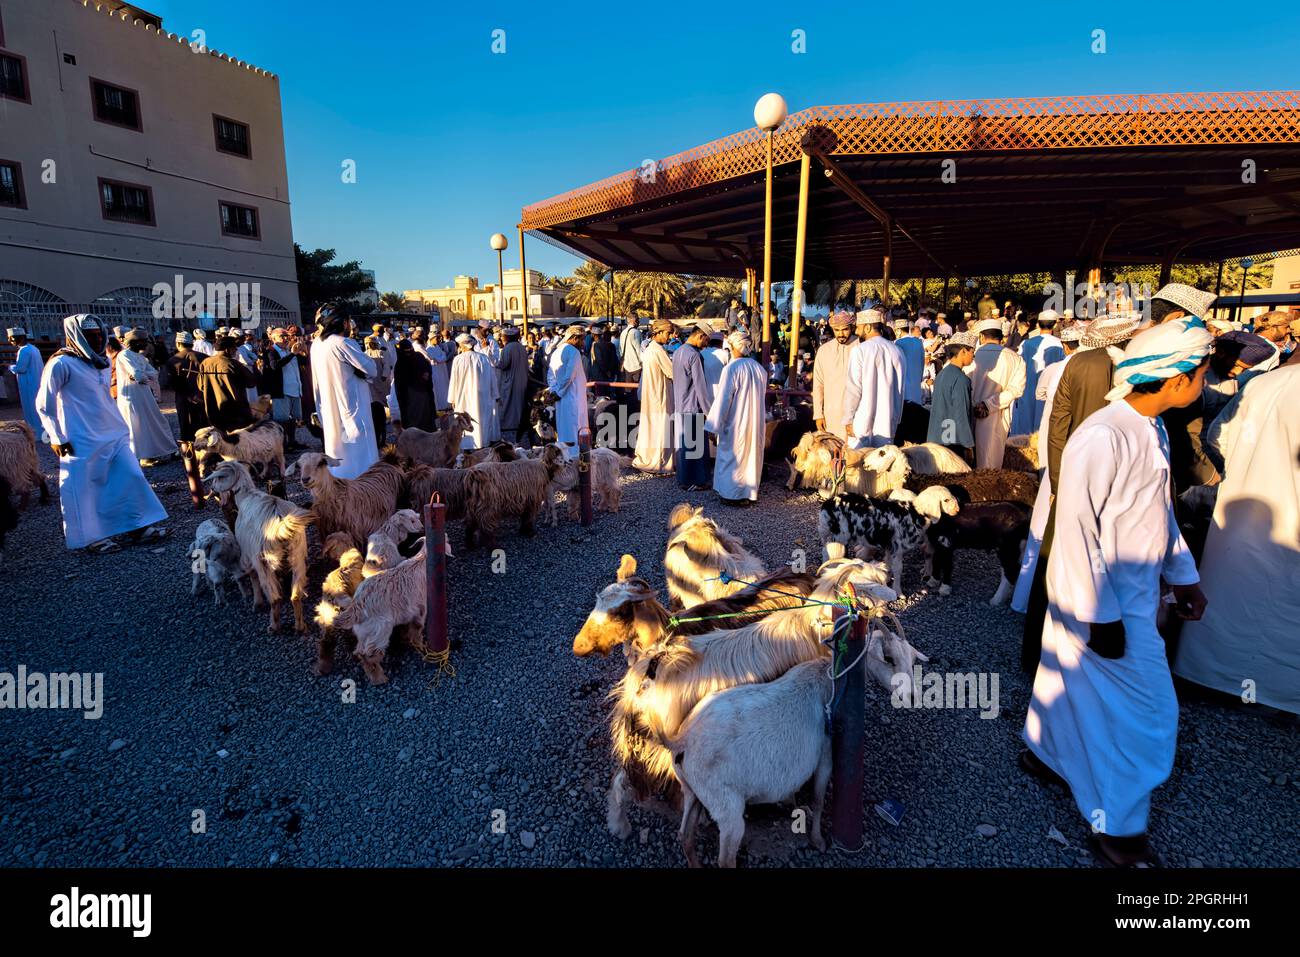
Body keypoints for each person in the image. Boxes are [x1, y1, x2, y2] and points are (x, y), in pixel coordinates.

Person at [1022, 316, 1211, 868]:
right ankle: (1120, 832)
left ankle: (1044, 754)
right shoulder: (1101, 436)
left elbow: (1161, 514)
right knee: (1151, 717)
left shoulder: (1148, 429)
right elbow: (1078, 531)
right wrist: (1100, 617)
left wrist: (1183, 575)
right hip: (1100, 600)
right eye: (1201, 373)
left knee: (1067, 676)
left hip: (1125, 593)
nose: (1205, 382)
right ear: (1176, 380)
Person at [1175, 362, 1298, 714]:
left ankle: (1210, 675)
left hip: (1243, 506)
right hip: (1288, 520)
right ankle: (1273, 695)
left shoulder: (1262, 383)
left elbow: (1218, 436)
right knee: (1283, 606)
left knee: (1233, 594)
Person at [35, 315, 168, 552]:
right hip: (80, 437)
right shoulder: (61, 364)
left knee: (129, 478)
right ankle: (91, 538)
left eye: (99, 335)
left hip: (113, 433)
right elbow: (44, 404)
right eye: (90, 337)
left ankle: (137, 526)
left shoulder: (101, 362)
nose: (97, 340)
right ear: (76, 336)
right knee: (86, 488)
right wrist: (56, 436)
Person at [309, 302, 378, 480]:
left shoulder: (317, 344)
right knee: (361, 458)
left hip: (329, 409)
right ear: (344, 323)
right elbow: (371, 369)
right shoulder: (343, 343)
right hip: (353, 410)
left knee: (338, 454)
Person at [705, 331, 768, 505]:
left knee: (732, 457)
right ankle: (749, 493)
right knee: (750, 457)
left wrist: (713, 426)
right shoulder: (759, 369)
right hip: (755, 422)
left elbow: (723, 399)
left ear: (732, 347)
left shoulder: (731, 368)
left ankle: (731, 495)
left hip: (735, 422)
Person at [842, 308, 904, 449]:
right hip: (888, 420)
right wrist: (896, 419)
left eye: (858, 327)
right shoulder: (897, 351)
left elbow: (853, 389)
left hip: (861, 419)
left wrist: (848, 419)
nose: (856, 332)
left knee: (857, 464)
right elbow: (901, 389)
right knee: (882, 463)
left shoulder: (859, 350)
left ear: (868, 327)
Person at [969, 318, 1026, 469]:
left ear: (981, 336)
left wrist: (978, 405)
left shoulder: (969, 355)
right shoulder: (1015, 358)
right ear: (1001, 337)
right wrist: (988, 405)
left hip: (968, 414)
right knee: (990, 466)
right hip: (996, 418)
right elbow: (1016, 390)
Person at [114, 329, 176, 465]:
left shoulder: (141, 357)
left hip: (144, 394)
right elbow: (139, 375)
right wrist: (141, 375)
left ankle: (168, 450)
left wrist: (142, 375)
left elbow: (153, 373)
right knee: (138, 426)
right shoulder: (124, 355)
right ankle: (144, 457)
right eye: (144, 342)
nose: (146, 345)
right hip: (132, 397)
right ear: (135, 342)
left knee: (158, 421)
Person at [671, 324, 713, 491]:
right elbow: (700, 387)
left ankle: (684, 480)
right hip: (693, 406)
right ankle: (698, 481)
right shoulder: (695, 356)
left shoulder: (678, 351)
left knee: (684, 445)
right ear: (701, 335)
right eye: (706, 340)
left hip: (680, 405)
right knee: (696, 447)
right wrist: (709, 412)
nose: (706, 344)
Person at [632, 318, 675, 474]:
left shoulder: (651, 348)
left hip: (652, 395)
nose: (669, 337)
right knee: (660, 429)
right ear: (659, 332)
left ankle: (650, 459)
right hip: (659, 396)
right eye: (668, 333)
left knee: (650, 428)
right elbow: (672, 372)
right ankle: (659, 463)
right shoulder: (657, 350)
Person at [926, 330, 977, 459]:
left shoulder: (942, 374)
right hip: (952, 440)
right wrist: (968, 444)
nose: (973, 356)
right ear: (963, 351)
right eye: (972, 352)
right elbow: (961, 414)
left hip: (937, 437)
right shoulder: (961, 379)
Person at [1011, 310, 1064, 435]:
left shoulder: (1026, 343)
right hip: (1049, 392)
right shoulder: (1061, 345)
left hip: (1027, 390)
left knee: (1024, 431)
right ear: (1055, 325)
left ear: (1038, 325)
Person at [198, 333, 258, 435]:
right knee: (238, 442)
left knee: (222, 440)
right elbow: (251, 383)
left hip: (214, 410)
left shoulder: (205, 362)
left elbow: (201, 386)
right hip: (235, 411)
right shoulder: (233, 364)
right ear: (227, 350)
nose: (236, 351)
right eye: (234, 348)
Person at [546, 324, 589, 461]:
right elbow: (569, 375)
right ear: (575, 338)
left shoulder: (557, 350)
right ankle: (576, 463)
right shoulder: (573, 352)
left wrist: (554, 391)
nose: (583, 343)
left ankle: (564, 460)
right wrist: (559, 392)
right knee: (576, 430)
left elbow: (550, 375)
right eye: (582, 339)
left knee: (563, 430)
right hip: (573, 398)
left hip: (561, 399)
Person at [448, 332, 498, 449]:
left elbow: (453, 380)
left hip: (463, 396)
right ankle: (482, 444)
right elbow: (492, 378)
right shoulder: (483, 358)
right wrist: (495, 394)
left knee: (464, 420)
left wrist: (452, 398)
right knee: (481, 420)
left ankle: (466, 447)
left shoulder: (458, 360)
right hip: (482, 397)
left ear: (463, 345)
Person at [812, 311, 856, 439]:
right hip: (831, 413)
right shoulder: (824, 350)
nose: (841, 334)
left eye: (845, 329)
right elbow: (818, 384)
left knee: (855, 454)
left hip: (856, 413)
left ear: (851, 328)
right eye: (837, 330)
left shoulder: (861, 347)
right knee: (834, 450)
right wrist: (818, 414)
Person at [267, 328, 305, 449]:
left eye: (286, 336)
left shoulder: (289, 350)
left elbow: (304, 362)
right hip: (282, 390)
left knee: (294, 418)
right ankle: (281, 445)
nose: (285, 338)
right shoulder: (271, 351)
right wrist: (292, 354)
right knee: (281, 419)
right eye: (281, 336)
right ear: (273, 339)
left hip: (294, 388)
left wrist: (303, 350)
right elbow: (275, 366)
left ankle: (292, 441)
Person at [166, 331, 207, 443]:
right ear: (192, 344)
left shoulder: (173, 360)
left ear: (178, 344)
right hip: (204, 398)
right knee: (205, 428)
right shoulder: (204, 358)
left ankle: (189, 456)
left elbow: (172, 384)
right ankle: (207, 454)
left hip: (184, 400)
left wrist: (189, 396)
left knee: (187, 429)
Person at [392, 338, 436, 432]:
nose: (408, 352)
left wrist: (426, 374)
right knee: (415, 420)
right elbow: (401, 381)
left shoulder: (417, 356)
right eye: (406, 351)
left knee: (423, 418)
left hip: (420, 393)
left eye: (410, 350)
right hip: (411, 395)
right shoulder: (401, 362)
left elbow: (427, 367)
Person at [7, 327, 44, 434]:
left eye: (12, 338)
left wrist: (10, 367)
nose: (10, 341)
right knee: (37, 409)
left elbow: (21, 368)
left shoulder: (24, 351)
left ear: (20, 338)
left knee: (31, 410)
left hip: (28, 385)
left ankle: (35, 433)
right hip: (36, 382)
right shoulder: (34, 349)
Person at [497, 325, 530, 442]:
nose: (502, 338)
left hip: (511, 381)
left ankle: (509, 425)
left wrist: (494, 362)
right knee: (519, 403)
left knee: (509, 404)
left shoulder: (508, 348)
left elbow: (504, 364)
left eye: (503, 336)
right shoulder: (521, 347)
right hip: (522, 381)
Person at [364, 335, 393, 452]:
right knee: (374, 406)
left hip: (381, 382)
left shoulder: (381, 352)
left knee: (382, 405)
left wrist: (384, 376)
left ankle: (383, 432)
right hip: (370, 384)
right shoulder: (364, 354)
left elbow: (387, 366)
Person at [894, 320, 925, 406]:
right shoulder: (919, 341)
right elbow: (922, 361)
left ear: (899, 330)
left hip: (904, 381)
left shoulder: (898, 342)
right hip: (916, 378)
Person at [618, 316, 644, 385]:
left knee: (628, 390)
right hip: (636, 366)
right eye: (638, 320)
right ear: (634, 321)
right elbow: (640, 350)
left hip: (626, 366)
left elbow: (620, 350)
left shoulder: (622, 333)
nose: (639, 322)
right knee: (637, 389)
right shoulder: (636, 332)